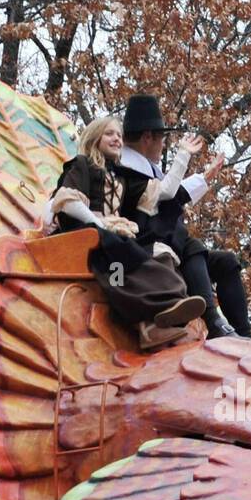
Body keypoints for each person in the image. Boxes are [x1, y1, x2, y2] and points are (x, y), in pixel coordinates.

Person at [43, 115, 206, 350]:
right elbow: (67, 201)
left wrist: (183, 154)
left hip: (114, 236)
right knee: (119, 257)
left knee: (157, 250)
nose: (117, 139)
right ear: (95, 137)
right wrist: (100, 223)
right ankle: (146, 319)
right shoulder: (82, 164)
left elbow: (165, 191)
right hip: (85, 236)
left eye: (119, 135)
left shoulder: (122, 177)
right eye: (110, 134)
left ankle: (159, 316)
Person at [116, 94, 251, 339]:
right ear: (147, 137)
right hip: (141, 245)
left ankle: (244, 334)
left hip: (166, 241)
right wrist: (183, 156)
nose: (163, 146)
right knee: (192, 247)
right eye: (161, 139)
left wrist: (204, 178)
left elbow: (169, 195)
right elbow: (165, 193)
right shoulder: (123, 168)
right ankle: (214, 323)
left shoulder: (145, 169)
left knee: (226, 262)